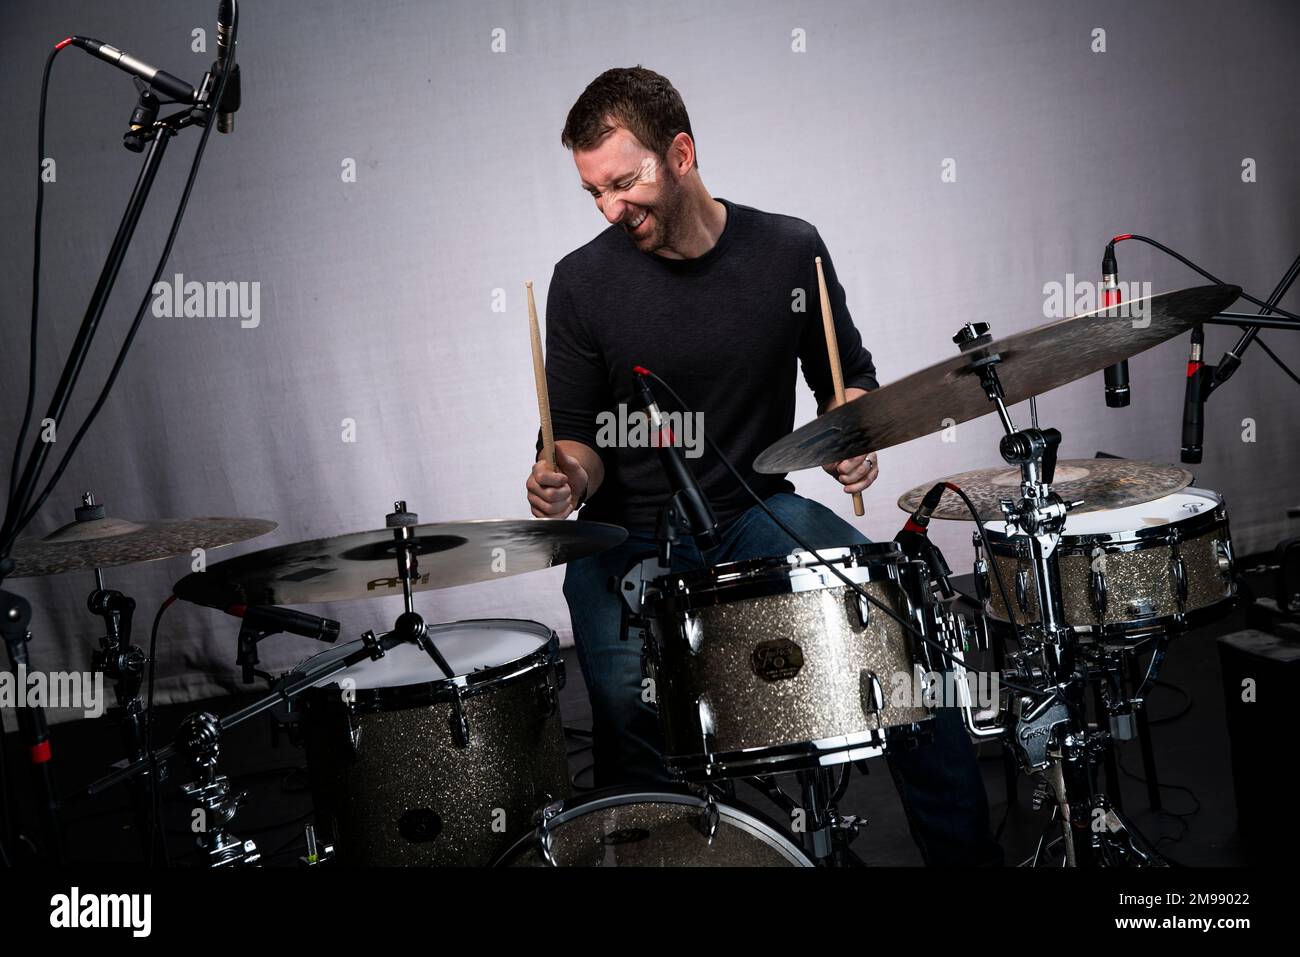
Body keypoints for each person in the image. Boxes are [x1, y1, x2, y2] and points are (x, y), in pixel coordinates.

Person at [524, 66, 1000, 865]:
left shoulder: (788, 249)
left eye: (623, 182)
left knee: (901, 642)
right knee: (624, 708)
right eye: (593, 194)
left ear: (680, 152)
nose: (611, 209)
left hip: (753, 513)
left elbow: (845, 380)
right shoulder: (582, 282)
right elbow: (574, 441)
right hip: (629, 535)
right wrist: (565, 475)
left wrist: (854, 430)